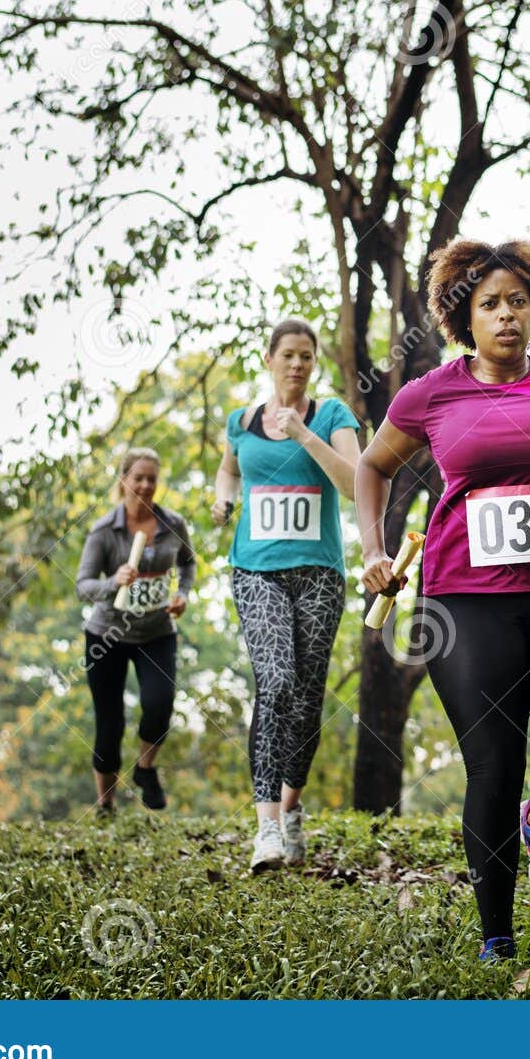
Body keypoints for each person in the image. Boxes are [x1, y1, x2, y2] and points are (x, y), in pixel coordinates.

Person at [357, 239, 530, 963]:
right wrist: (373, 550)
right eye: (490, 304)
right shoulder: (431, 394)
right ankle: (496, 938)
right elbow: (372, 468)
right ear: (466, 317)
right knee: (494, 762)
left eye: (518, 301)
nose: (507, 315)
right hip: (463, 603)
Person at [215, 318, 361, 873]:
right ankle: (267, 827)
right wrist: (224, 499)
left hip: (319, 573)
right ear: (269, 358)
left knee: (306, 699)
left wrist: (302, 434)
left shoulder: (332, 416)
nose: (297, 364)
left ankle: (292, 806)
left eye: (307, 356)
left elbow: (354, 484)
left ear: (314, 362)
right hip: (257, 571)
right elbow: (228, 471)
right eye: (288, 355)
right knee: (274, 683)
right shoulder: (242, 421)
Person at [75, 447, 196, 814]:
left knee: (160, 706)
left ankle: (145, 768)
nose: (145, 485)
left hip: (156, 633)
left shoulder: (173, 524)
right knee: (109, 724)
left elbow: (188, 564)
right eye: (138, 478)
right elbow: (82, 586)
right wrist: (113, 581)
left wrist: (182, 594)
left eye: (151, 479)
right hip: (107, 635)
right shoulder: (103, 531)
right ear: (123, 479)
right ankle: (105, 804)